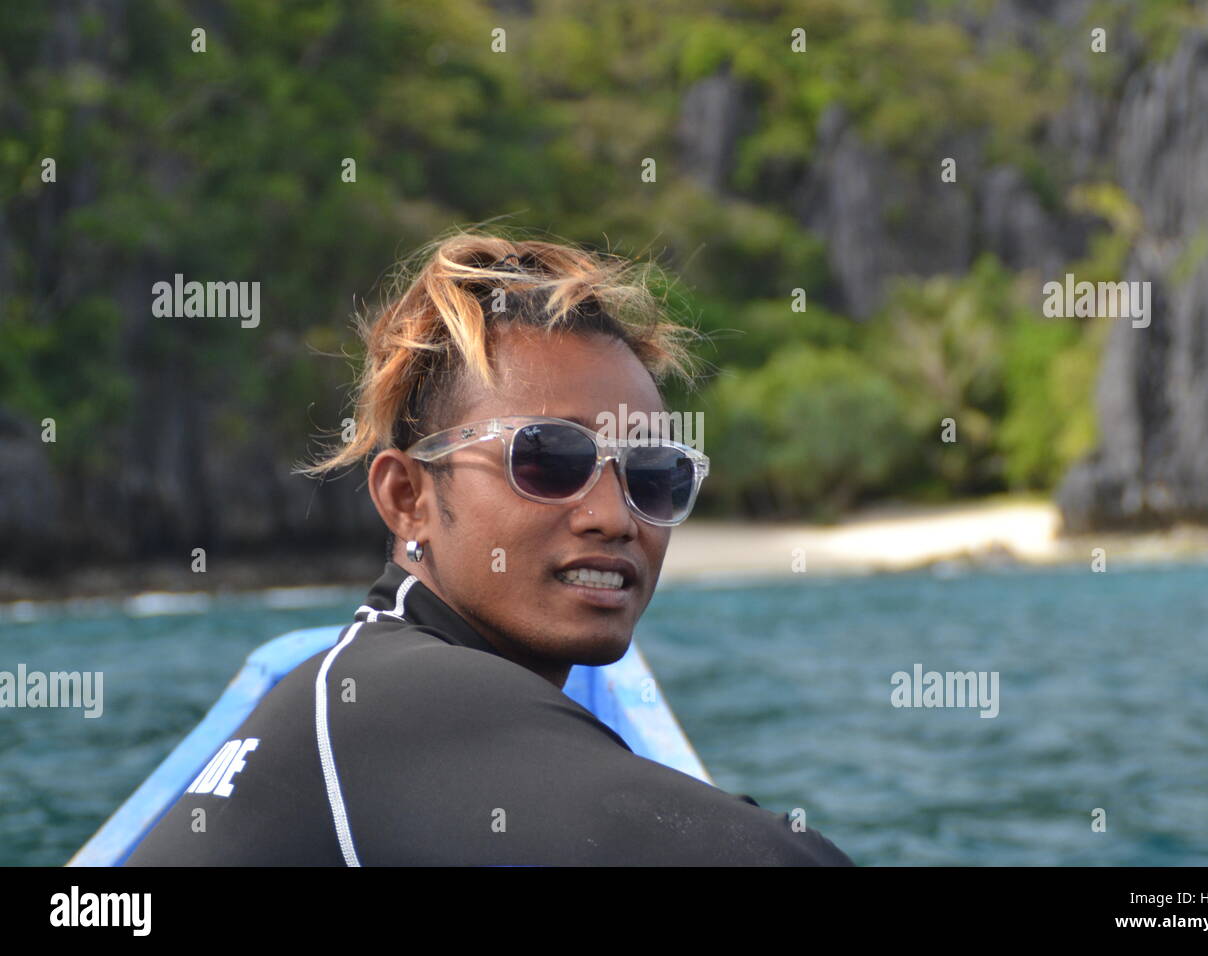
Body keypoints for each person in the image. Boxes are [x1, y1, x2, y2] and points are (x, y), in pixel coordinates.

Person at [124, 229, 853, 866]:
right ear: (407, 497)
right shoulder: (393, 697)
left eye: (652, 476)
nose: (612, 516)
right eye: (548, 461)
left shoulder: (361, 691)